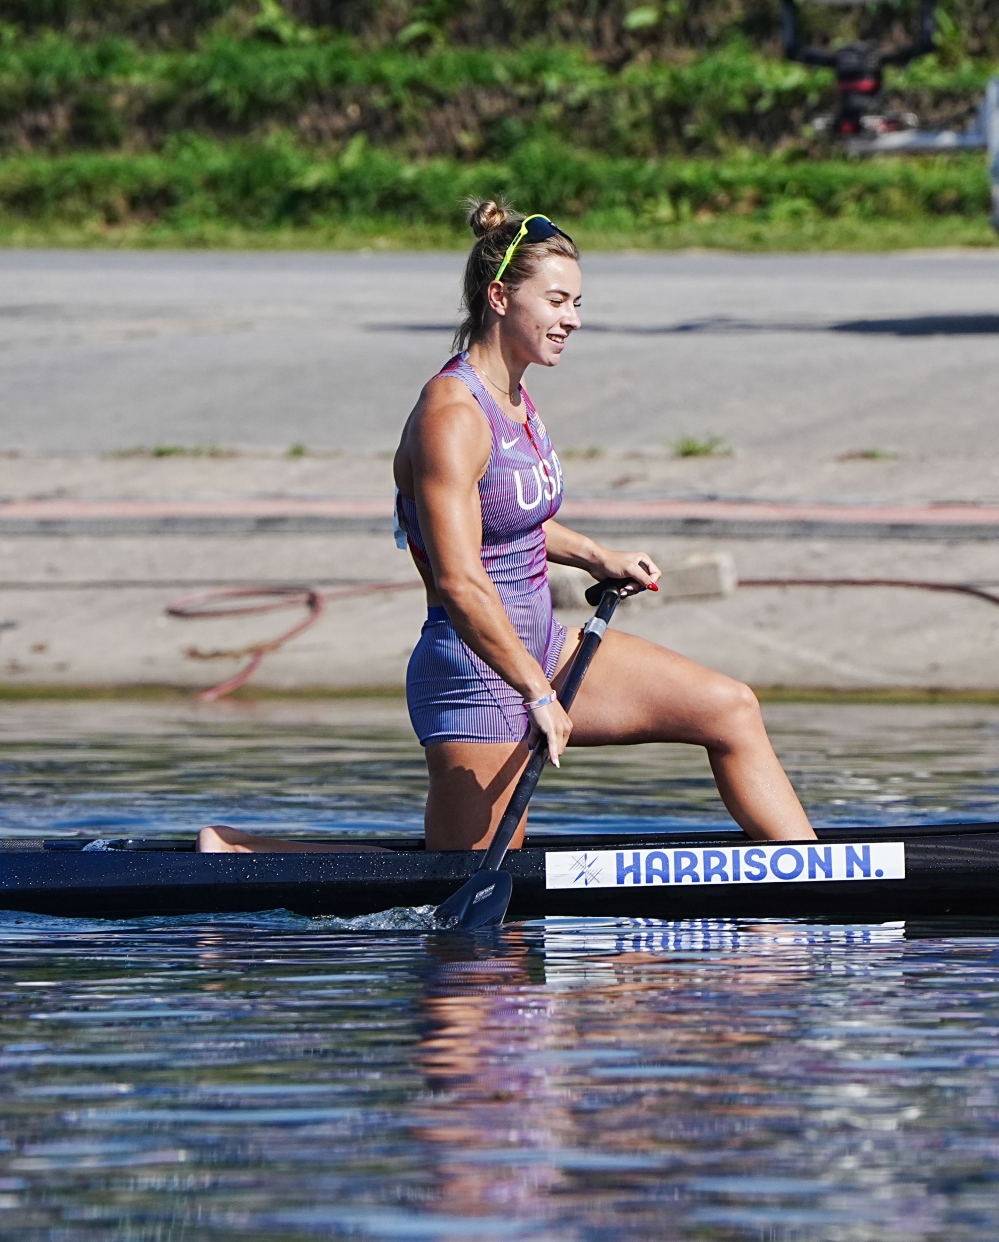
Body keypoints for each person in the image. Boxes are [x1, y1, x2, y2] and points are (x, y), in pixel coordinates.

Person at [200, 202, 817, 853]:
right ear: (499, 296)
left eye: (576, 301)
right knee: (470, 907)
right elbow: (460, 578)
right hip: (479, 672)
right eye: (555, 301)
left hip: (544, 645)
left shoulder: (515, 397)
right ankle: (244, 853)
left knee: (731, 709)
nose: (572, 319)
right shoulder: (453, 415)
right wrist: (536, 694)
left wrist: (595, 556)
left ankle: (823, 875)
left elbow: (508, 521)